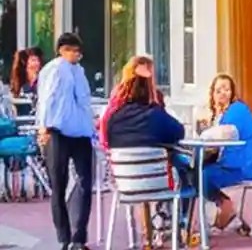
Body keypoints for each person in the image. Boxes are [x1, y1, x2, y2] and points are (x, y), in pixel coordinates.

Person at [105, 69, 187, 247]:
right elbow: (179, 132)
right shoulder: (156, 115)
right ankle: (175, 229)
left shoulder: (113, 119)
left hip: (125, 186)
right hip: (157, 184)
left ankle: (152, 235)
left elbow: (108, 142)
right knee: (181, 170)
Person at [35, 33, 97, 250]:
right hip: (57, 131)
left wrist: (91, 126)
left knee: (84, 182)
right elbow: (46, 98)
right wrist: (43, 126)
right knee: (58, 185)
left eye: (77, 51)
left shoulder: (79, 71)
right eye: (71, 50)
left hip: (80, 131)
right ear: (61, 50)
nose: (75, 55)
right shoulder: (53, 69)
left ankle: (78, 236)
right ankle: (64, 237)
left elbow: (85, 100)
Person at [201, 74, 252, 230]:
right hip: (231, 163)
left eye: (226, 89)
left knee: (198, 175)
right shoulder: (221, 114)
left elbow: (216, 138)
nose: (223, 93)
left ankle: (224, 206)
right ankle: (227, 214)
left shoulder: (237, 110)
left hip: (241, 167)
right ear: (212, 94)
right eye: (218, 90)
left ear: (232, 92)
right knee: (194, 172)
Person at [99, 55, 160, 151]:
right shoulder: (154, 101)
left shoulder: (117, 98)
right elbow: (174, 131)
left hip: (119, 159)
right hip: (151, 157)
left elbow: (104, 123)